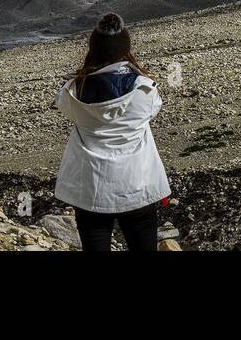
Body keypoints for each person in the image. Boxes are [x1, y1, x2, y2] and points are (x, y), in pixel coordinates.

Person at [54, 13, 170, 251]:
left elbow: (63, 107)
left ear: (93, 48)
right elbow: (154, 108)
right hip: (137, 185)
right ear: (125, 48)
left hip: (90, 189)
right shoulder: (144, 90)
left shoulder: (74, 90)